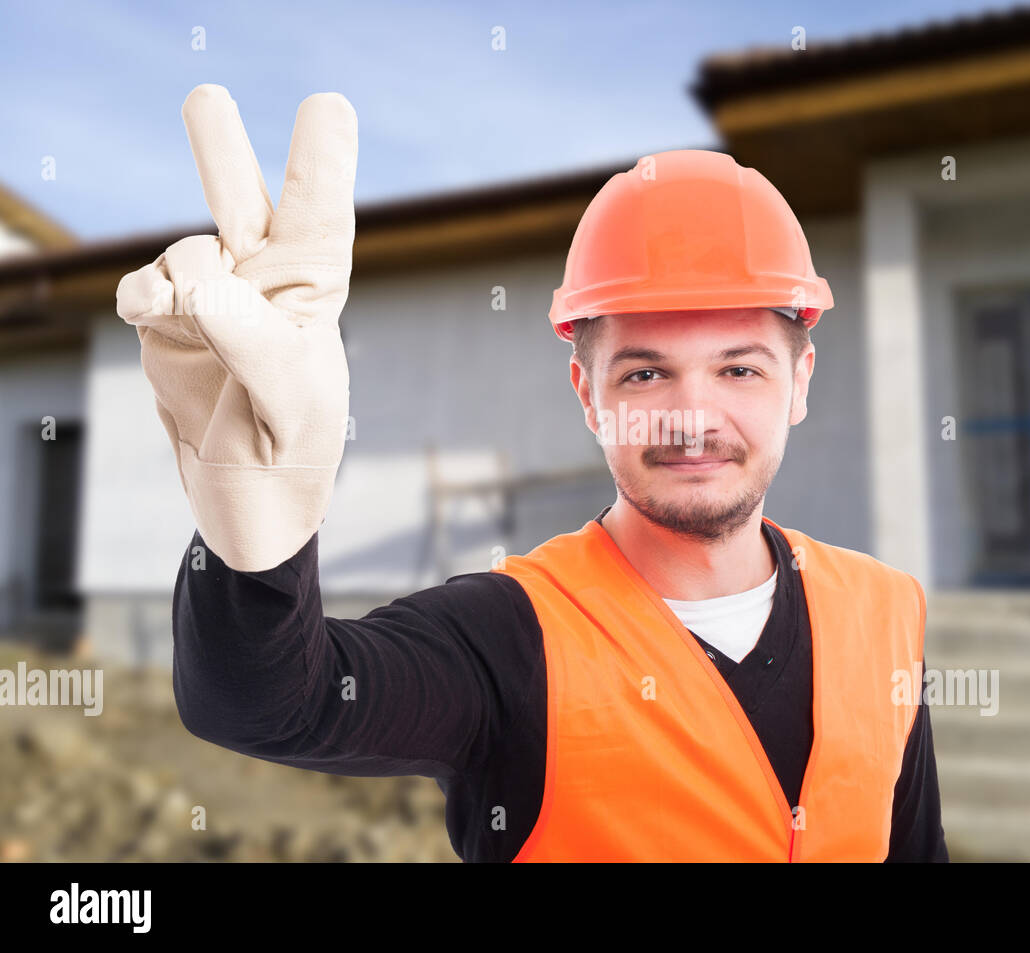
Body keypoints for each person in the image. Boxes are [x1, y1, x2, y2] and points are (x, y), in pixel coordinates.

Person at [117, 84, 948, 862]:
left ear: (799, 382)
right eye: (646, 373)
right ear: (588, 391)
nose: (692, 416)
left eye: (740, 369)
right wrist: (252, 546)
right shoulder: (508, 638)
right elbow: (272, 704)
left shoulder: (880, 615)